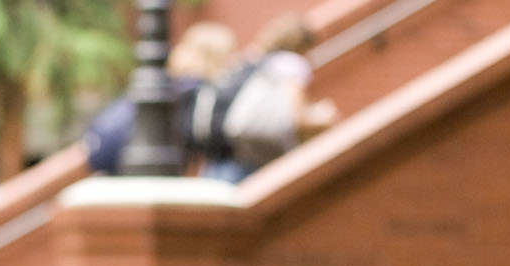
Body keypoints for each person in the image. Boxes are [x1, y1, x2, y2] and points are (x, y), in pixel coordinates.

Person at [192, 13, 338, 181]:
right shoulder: (293, 63)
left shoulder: (252, 58)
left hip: (221, 151)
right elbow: (298, 118)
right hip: (253, 154)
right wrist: (326, 117)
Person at [81, 21, 237, 175]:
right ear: (217, 56)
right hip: (135, 161)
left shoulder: (161, 82)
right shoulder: (197, 93)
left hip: (102, 151)